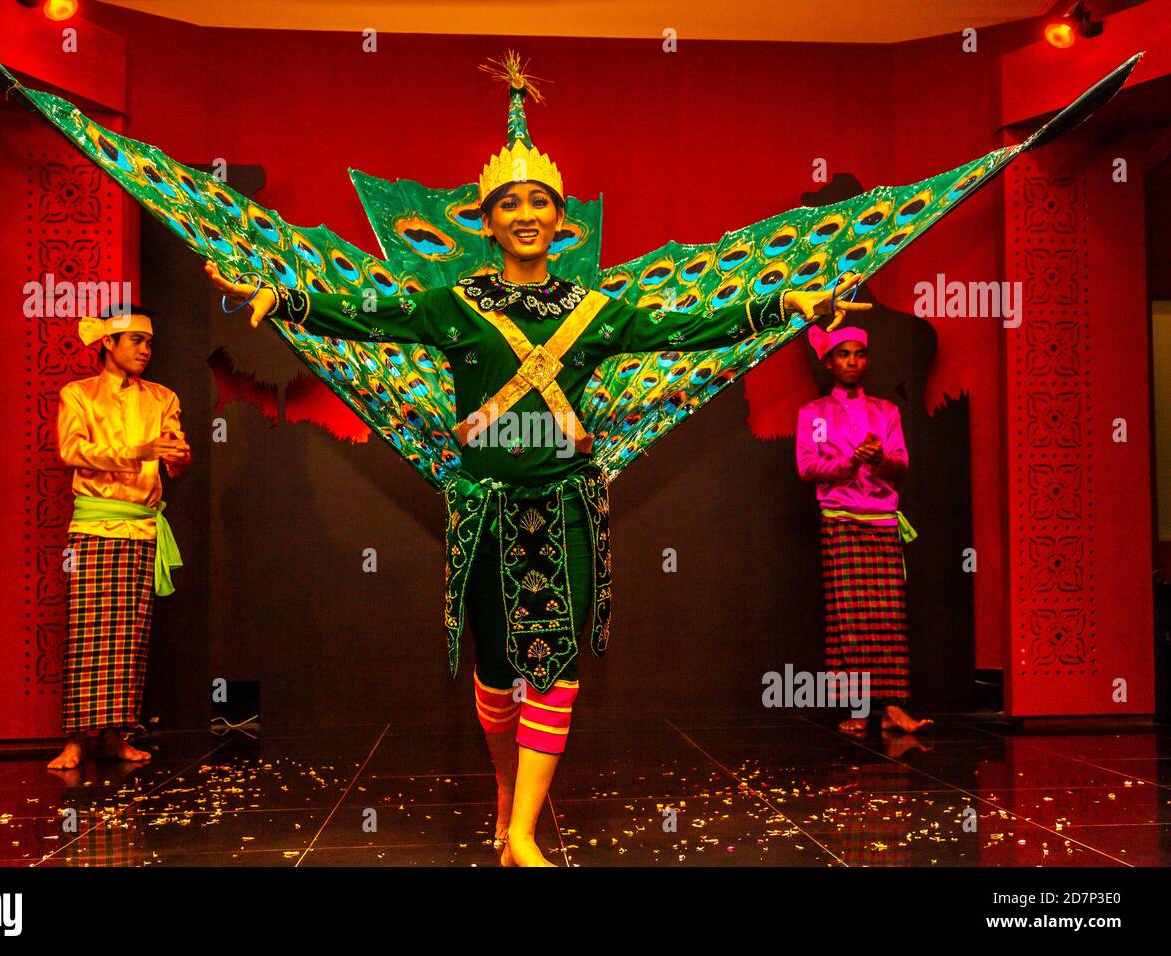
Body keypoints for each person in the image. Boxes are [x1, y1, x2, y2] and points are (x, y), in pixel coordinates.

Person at [204, 74, 869, 863]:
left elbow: (687, 326)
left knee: (554, 668)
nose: (525, 215)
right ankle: (505, 790)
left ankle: (521, 832)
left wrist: (779, 305)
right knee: (495, 680)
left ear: (561, 219)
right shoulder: (454, 304)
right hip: (482, 508)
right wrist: (283, 299)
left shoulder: (597, 311)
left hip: (566, 508)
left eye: (540, 203)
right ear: (486, 221)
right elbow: (370, 317)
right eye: (508, 204)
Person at [48, 308, 191, 771]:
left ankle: (115, 734)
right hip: (94, 525)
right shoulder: (80, 394)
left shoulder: (162, 397)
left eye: (149, 344)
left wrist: (177, 459)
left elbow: (174, 458)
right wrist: (137, 451)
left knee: (129, 634)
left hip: (141, 525)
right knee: (87, 633)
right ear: (108, 344)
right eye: (135, 342)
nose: (145, 351)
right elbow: (71, 450)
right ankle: (76, 738)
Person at [795, 325, 932, 736]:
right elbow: (806, 469)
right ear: (829, 361)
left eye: (859, 354)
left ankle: (892, 708)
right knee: (849, 618)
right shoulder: (812, 414)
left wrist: (879, 460)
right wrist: (850, 463)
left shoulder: (886, 412)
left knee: (889, 617)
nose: (852, 362)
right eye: (843, 355)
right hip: (840, 519)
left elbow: (902, 466)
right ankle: (856, 708)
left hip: (881, 519)